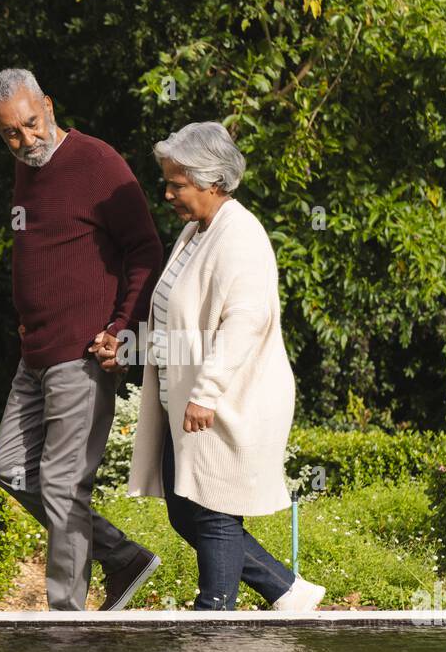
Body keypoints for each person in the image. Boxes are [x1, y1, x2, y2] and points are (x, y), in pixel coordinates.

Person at [123, 121, 325, 612]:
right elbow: (176, 313)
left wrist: (206, 392)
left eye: (177, 183)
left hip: (227, 398)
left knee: (213, 514)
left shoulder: (241, 235)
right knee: (185, 511)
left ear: (212, 182)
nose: (167, 192)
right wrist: (128, 346)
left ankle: (214, 615)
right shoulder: (195, 231)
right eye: (167, 181)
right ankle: (287, 590)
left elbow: (246, 322)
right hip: (184, 400)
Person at [0, 68, 164, 611]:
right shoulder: (27, 170)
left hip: (84, 355)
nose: (25, 140)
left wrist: (120, 331)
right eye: (10, 133)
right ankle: (122, 556)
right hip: (35, 354)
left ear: (49, 104)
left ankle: (66, 626)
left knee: (63, 486)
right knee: (9, 468)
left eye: (31, 124)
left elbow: (145, 251)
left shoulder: (97, 163)